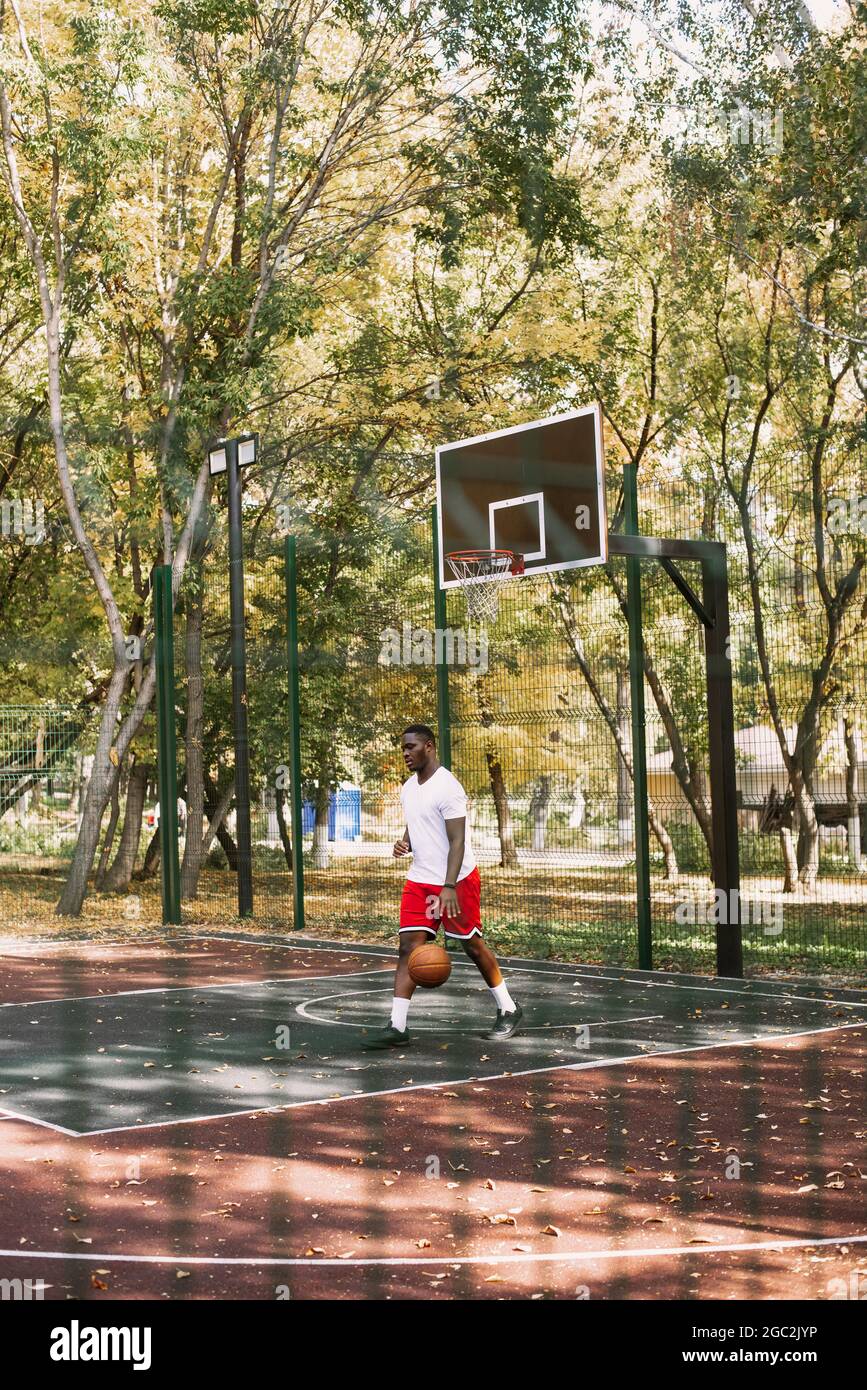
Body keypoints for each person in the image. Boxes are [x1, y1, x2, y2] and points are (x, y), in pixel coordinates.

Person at [364, 723, 522, 1049]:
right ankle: (397, 1026)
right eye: (403, 748)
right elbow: (416, 819)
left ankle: (508, 1007)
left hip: (457, 879)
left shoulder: (448, 787)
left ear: (429, 747)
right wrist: (405, 842)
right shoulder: (409, 787)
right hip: (421, 878)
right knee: (409, 947)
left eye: (411, 747)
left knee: (471, 945)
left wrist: (448, 886)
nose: (406, 753)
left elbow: (458, 840)